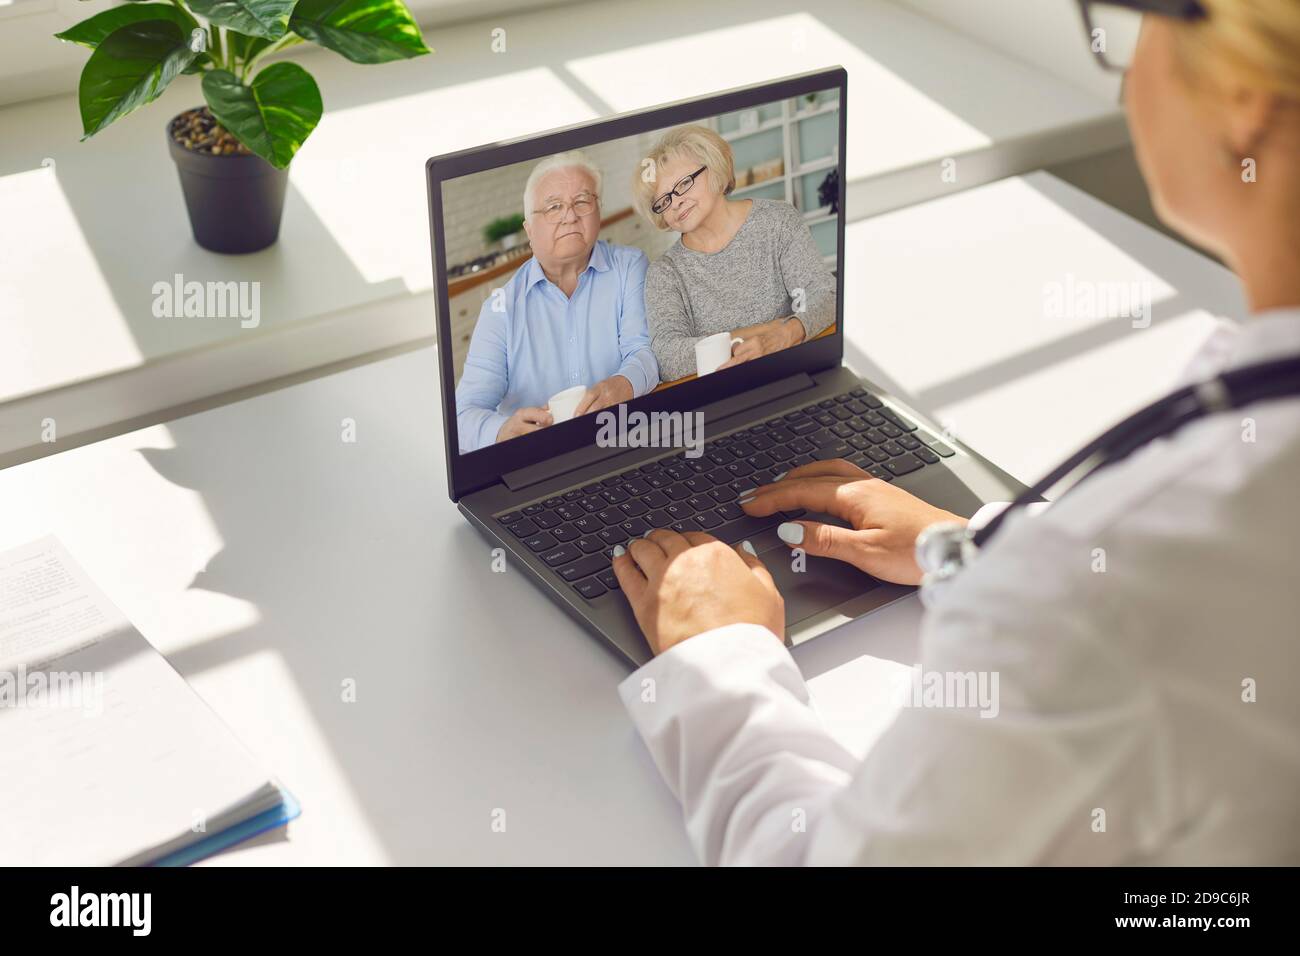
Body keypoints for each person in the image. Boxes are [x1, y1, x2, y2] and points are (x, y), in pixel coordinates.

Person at [609, 0, 1300, 865]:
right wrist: (978, 541)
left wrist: (719, 662)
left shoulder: (1115, 596)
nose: (1125, 64)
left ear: (1241, 90)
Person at [455, 151, 658, 452]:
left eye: (582, 201)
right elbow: (464, 415)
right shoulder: (500, 309)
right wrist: (501, 431)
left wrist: (623, 384)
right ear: (529, 230)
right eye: (553, 207)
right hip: (540, 460)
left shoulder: (629, 268)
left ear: (598, 211)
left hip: (625, 441)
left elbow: (644, 351)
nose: (570, 215)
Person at [632, 125, 836, 381]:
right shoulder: (664, 273)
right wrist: (761, 332)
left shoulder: (777, 222)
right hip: (719, 398)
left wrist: (786, 334)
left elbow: (825, 294)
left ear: (715, 168)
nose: (676, 202)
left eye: (684, 184)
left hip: (792, 375)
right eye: (663, 200)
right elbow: (668, 357)